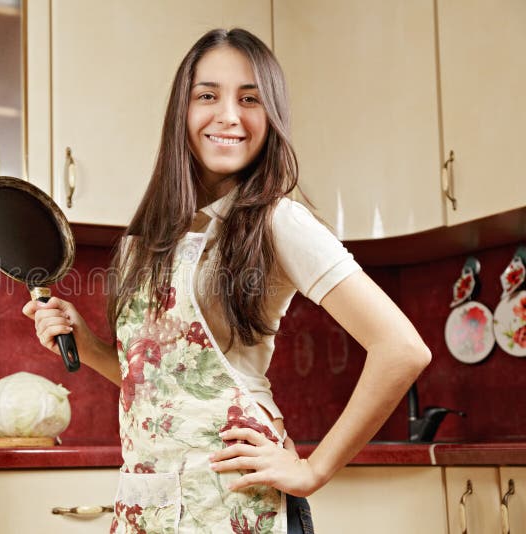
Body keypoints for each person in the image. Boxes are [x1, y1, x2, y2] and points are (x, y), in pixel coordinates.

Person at [22, 28, 431, 534]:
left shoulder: (278, 221)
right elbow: (163, 386)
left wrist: (311, 470)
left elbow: (402, 348)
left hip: (239, 511)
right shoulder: (148, 237)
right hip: (148, 511)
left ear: (271, 116)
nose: (229, 116)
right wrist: (86, 344)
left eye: (250, 99)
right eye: (208, 96)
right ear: (183, 112)